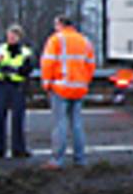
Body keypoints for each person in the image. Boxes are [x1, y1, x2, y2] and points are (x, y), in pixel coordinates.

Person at [40, 16, 95, 169]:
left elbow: (48, 63)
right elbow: (90, 65)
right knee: (77, 123)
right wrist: (84, 82)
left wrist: (46, 83)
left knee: (60, 123)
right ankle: (80, 158)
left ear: (60, 24)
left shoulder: (56, 40)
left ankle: (57, 159)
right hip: (79, 87)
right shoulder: (85, 41)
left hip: (60, 86)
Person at [0, 24, 34, 158]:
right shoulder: (0, 49)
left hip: (17, 86)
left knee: (18, 118)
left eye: (13, 36)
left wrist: (14, 70)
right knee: (0, 117)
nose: (11, 38)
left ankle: (18, 148)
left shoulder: (25, 52)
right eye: (9, 35)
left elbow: (28, 69)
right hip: (2, 84)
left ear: (19, 37)